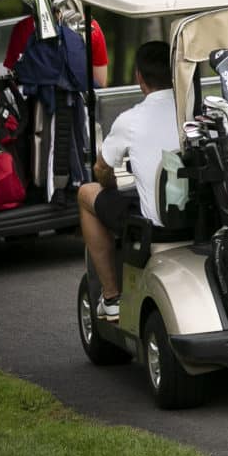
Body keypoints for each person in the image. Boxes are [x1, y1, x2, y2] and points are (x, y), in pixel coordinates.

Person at [77, 40, 179, 322]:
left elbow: (101, 168)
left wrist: (109, 185)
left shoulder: (130, 120)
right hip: (198, 217)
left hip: (156, 226)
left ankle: (111, 296)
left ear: (139, 78)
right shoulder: (196, 110)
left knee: (87, 193)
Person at [4, 2, 108, 88]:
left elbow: (14, 80)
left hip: (38, 108)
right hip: (82, 106)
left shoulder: (22, 28)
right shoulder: (91, 25)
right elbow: (100, 82)